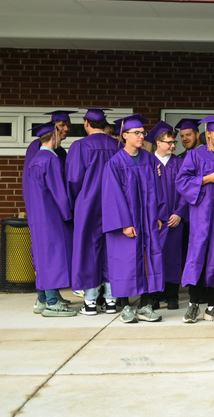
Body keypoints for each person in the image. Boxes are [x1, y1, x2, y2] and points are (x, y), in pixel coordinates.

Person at [102, 114, 167, 323]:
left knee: (150, 260)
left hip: (148, 220)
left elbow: (158, 190)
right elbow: (112, 196)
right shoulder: (115, 163)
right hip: (128, 223)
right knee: (125, 262)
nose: (141, 136)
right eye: (137, 133)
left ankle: (146, 305)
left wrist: (158, 214)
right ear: (125, 135)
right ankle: (125, 307)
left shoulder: (149, 159)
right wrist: (125, 223)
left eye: (142, 132)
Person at [177, 115, 214, 324]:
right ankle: (193, 305)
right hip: (201, 217)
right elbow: (181, 182)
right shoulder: (195, 155)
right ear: (207, 134)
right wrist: (206, 179)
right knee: (197, 257)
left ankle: (212, 307)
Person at [65, 108, 121, 315]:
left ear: (86, 123)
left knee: (88, 249)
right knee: (112, 249)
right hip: (114, 205)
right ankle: (111, 300)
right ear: (104, 124)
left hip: (88, 204)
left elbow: (73, 179)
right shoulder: (117, 145)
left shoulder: (79, 146)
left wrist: (72, 204)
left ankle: (89, 301)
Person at [23, 121, 76, 317]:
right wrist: (68, 214)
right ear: (53, 136)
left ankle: (43, 300)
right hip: (52, 216)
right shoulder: (51, 160)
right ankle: (53, 303)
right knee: (53, 258)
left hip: (38, 217)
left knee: (42, 256)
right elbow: (59, 192)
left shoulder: (35, 159)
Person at [148, 121, 187, 310]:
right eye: (168, 142)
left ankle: (172, 295)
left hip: (174, 220)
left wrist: (179, 213)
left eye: (174, 142)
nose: (172, 145)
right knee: (154, 257)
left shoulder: (180, 163)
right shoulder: (146, 163)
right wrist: (152, 216)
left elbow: (186, 191)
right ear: (158, 142)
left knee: (173, 258)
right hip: (154, 221)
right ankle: (154, 296)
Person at [24, 109, 73, 179]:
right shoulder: (37, 145)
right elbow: (30, 175)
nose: (66, 129)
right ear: (53, 126)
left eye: (68, 125)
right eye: (62, 125)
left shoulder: (61, 151)